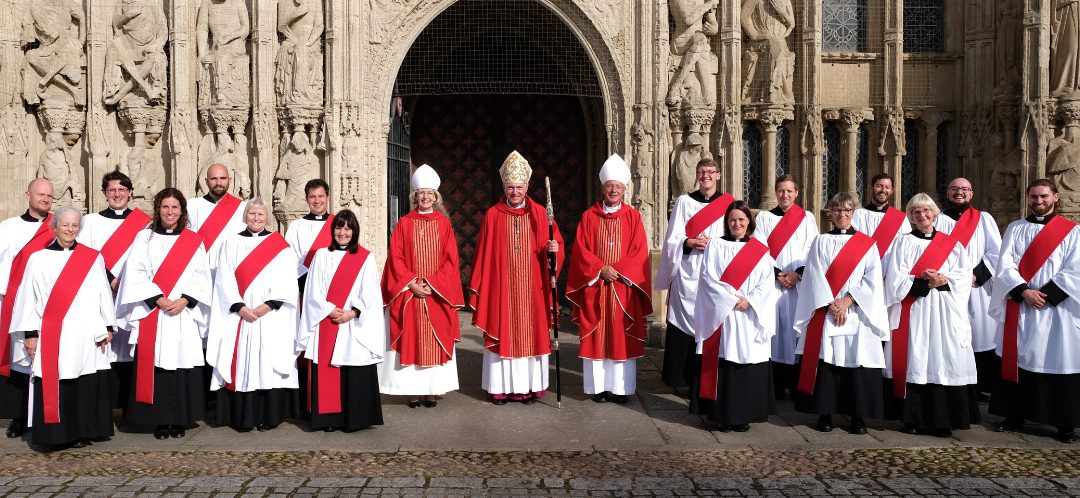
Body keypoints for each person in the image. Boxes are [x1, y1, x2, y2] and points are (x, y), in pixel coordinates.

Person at [10, 207, 115, 450]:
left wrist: (107, 325)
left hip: (86, 330)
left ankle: (81, 431)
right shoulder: (38, 258)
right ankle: (55, 435)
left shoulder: (93, 257)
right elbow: (28, 298)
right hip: (53, 331)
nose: (70, 229)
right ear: (54, 226)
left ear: (80, 229)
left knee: (84, 380)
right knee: (56, 379)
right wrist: (30, 334)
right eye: (65, 224)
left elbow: (103, 293)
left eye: (75, 225)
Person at [116, 188, 212, 440]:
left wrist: (185, 300)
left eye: (175, 207)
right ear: (158, 209)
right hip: (153, 313)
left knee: (181, 365)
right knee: (155, 364)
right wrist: (157, 299)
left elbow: (201, 275)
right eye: (165, 207)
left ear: (182, 211)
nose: (170, 212)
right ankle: (158, 421)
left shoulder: (193, 240)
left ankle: (179, 420)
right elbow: (135, 273)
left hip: (183, 313)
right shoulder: (144, 238)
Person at [989, 179, 1080, 444]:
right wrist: (1023, 291)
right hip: (1023, 305)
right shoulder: (1016, 228)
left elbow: (1076, 269)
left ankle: (1065, 424)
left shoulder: (1072, 232)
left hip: (1057, 310)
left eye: (1043, 196)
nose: (1038, 202)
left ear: (1056, 197)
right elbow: (1004, 264)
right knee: (1018, 359)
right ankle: (1013, 416)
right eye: (1033, 197)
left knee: (1060, 361)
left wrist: (1047, 295)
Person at [469, 151, 564, 405]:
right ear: (504, 187)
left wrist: (553, 250)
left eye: (519, 187)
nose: (514, 192)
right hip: (502, 290)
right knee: (503, 334)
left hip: (533, 290)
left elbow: (553, 246)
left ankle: (529, 388)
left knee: (531, 335)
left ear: (527, 186)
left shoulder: (541, 214)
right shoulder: (492, 216)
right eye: (510, 187)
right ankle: (499, 389)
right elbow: (484, 256)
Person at [883, 193, 979, 437]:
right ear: (910, 217)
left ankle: (942, 420)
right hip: (913, 310)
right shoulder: (902, 242)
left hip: (943, 311)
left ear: (935, 214)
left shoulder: (952, 244)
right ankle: (912, 419)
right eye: (916, 212)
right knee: (916, 358)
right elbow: (894, 278)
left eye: (926, 211)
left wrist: (944, 280)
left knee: (941, 358)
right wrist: (925, 283)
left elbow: (963, 276)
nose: (922, 215)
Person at [793, 192, 888, 435]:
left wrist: (848, 300)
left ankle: (858, 417)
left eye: (846, 210)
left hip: (857, 312)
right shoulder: (820, 241)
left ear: (853, 213)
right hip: (827, 312)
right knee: (828, 362)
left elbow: (873, 279)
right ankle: (825, 414)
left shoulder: (867, 244)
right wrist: (831, 303)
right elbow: (813, 275)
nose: (841, 215)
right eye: (836, 210)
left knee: (857, 364)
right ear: (830, 213)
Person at [206, 199, 300, 432]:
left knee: (267, 363)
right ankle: (243, 418)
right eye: (252, 214)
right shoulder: (231, 243)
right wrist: (239, 307)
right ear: (245, 216)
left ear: (267, 217)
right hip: (241, 316)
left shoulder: (280, 246)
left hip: (270, 316)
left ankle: (267, 416)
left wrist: (269, 305)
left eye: (260, 214)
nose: (256, 218)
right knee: (243, 363)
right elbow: (224, 279)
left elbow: (288, 280)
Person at [566, 155, 652, 404]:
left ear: (624, 189)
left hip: (623, 288)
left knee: (621, 337)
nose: (613, 190)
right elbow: (581, 250)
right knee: (597, 336)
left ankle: (621, 389)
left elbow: (639, 252)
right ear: (602, 188)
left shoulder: (633, 217)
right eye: (609, 186)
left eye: (618, 186)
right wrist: (599, 268)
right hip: (597, 287)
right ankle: (599, 388)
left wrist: (617, 271)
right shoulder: (589, 216)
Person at [380, 165, 462, 407]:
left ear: (436, 197)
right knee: (412, 338)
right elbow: (395, 257)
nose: (425, 197)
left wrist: (433, 283)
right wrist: (411, 284)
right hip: (410, 293)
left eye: (429, 194)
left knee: (435, 340)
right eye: (421, 193)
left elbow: (451, 260)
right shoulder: (404, 223)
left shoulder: (444, 225)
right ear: (414, 196)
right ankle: (412, 390)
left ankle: (432, 390)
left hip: (436, 293)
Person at [693, 200, 779, 431]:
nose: (736, 224)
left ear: (749, 222)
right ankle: (721, 415)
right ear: (727, 222)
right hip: (723, 316)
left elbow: (766, 282)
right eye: (732, 220)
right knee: (724, 363)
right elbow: (708, 278)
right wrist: (731, 300)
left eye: (741, 219)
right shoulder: (715, 246)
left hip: (749, 315)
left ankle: (743, 417)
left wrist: (750, 301)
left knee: (747, 363)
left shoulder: (760, 249)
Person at [655, 158, 734, 402]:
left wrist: (716, 244)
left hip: (716, 272)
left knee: (713, 323)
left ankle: (711, 378)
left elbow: (736, 234)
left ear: (719, 175)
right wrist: (688, 242)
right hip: (688, 271)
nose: (706, 176)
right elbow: (672, 238)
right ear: (697, 175)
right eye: (702, 172)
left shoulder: (729, 204)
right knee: (685, 325)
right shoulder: (684, 202)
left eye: (711, 172)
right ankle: (685, 379)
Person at [299, 209, 384, 432]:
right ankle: (329, 419)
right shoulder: (321, 255)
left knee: (352, 366)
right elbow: (312, 291)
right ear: (333, 230)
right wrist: (329, 310)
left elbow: (371, 292)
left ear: (354, 231)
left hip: (352, 323)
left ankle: (354, 418)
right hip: (327, 320)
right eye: (339, 227)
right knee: (328, 367)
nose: (343, 232)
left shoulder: (365, 257)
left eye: (347, 228)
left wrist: (352, 313)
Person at [78, 171, 152, 414]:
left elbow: (148, 259)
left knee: (130, 345)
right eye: (112, 190)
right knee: (104, 347)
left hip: (132, 293)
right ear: (104, 193)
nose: (117, 194)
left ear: (130, 192)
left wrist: (127, 282)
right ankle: (104, 406)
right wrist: (110, 279)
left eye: (122, 190)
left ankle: (130, 405)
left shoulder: (145, 223)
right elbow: (86, 255)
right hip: (103, 290)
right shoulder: (91, 221)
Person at [934, 177, 1002, 400]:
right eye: (954, 189)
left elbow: (995, 252)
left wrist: (976, 275)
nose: (959, 193)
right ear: (947, 193)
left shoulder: (983, 219)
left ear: (972, 193)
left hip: (976, 287)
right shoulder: (937, 219)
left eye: (964, 189)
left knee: (980, 334)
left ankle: (980, 385)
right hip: (946, 289)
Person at [753, 174, 818, 399]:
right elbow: (759, 249)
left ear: (797, 193)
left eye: (789, 191)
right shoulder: (764, 218)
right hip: (773, 284)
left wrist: (797, 275)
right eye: (781, 191)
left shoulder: (807, 218)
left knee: (797, 330)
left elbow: (813, 250)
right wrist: (779, 274)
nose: (785, 195)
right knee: (775, 330)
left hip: (799, 285)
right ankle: (776, 385)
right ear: (775, 192)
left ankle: (797, 384)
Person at [0, 178, 55, 439]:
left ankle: (45, 415)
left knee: (44, 359)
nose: (44, 199)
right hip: (13, 301)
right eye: (40, 194)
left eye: (48, 196)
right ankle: (19, 417)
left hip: (46, 303)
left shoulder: (58, 226)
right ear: (28, 195)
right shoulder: (8, 227)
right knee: (20, 360)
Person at [187, 163, 247, 271]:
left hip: (232, 270)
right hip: (201, 271)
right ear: (206, 181)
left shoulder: (243, 208)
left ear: (230, 180)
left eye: (222, 178)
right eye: (213, 179)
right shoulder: (191, 206)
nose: (218, 183)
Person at [284, 179, 334, 291]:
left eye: (321, 196)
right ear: (307, 199)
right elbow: (289, 258)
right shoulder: (296, 226)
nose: (317, 201)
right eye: (312, 197)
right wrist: (307, 283)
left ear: (327, 198)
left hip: (333, 284)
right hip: (305, 285)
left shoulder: (338, 225)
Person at [852, 173, 911, 260]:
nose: (883, 190)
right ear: (871, 188)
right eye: (879, 186)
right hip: (864, 267)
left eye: (887, 187)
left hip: (890, 269)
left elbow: (905, 247)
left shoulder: (901, 218)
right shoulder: (858, 215)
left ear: (892, 191)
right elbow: (853, 245)